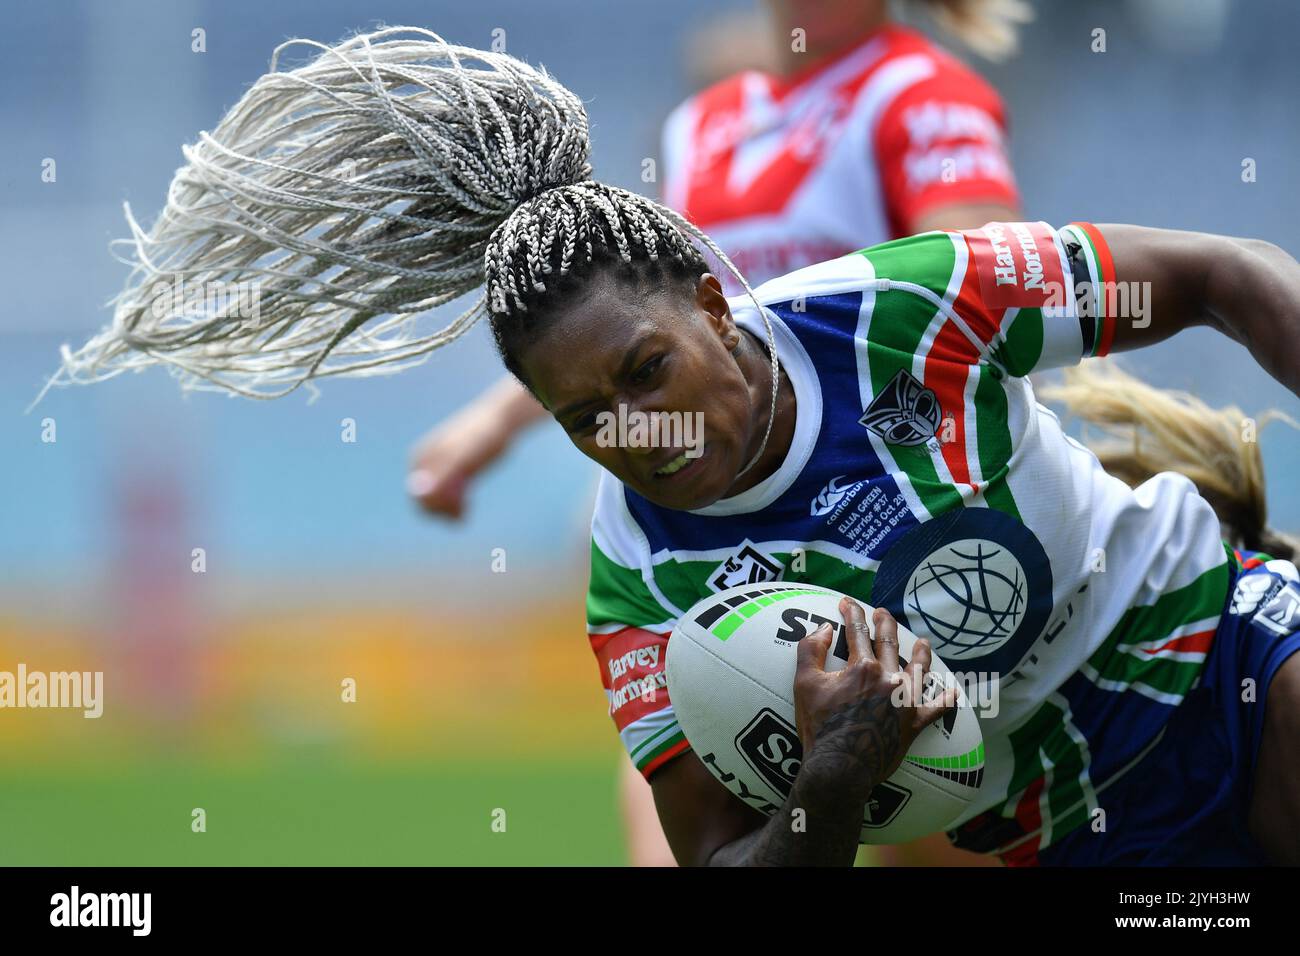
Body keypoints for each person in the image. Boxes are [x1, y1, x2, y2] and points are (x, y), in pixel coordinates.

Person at [45, 28, 1300, 866]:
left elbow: (1224, 276)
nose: (630, 433)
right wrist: (834, 774)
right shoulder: (641, 585)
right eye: (582, 419)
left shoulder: (897, 307)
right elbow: (716, 857)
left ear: (711, 300)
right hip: (1067, 829)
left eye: (642, 374)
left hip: (1223, 640)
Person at [406, 0, 1031, 865]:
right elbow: (629, 312)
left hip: (883, 511)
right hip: (710, 531)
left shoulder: (918, 91)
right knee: (692, 807)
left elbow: (976, 276)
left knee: (931, 818)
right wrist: (494, 424)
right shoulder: (708, 123)